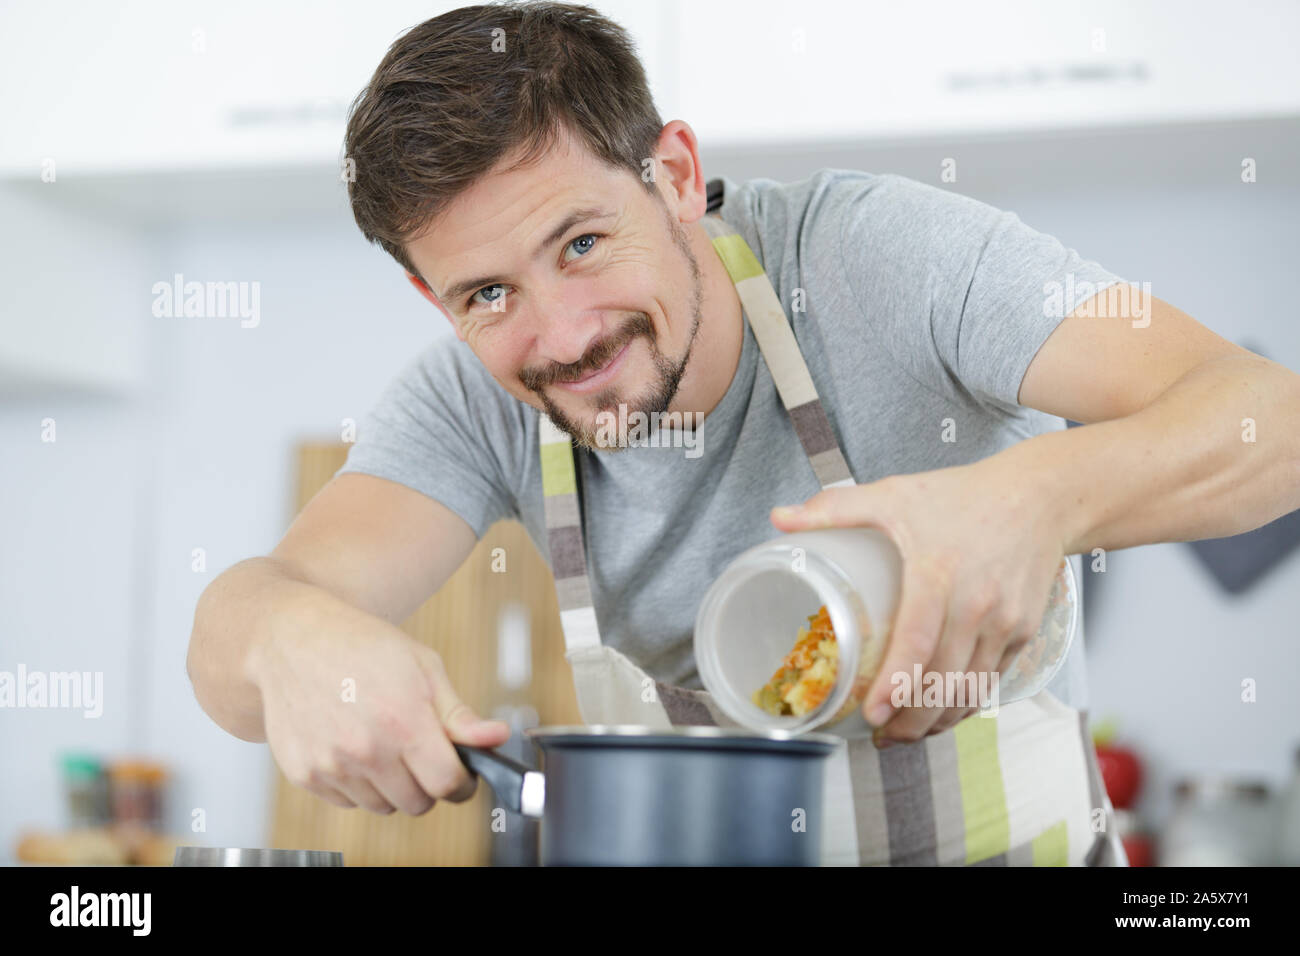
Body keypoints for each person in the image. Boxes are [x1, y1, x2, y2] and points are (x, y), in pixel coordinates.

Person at [186, 2, 1300, 865]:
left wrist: (1033, 498)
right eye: (486, 293)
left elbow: (1268, 415)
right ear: (439, 302)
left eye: (581, 243)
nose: (563, 334)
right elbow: (237, 635)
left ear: (673, 175)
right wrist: (290, 638)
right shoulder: (470, 403)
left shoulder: (872, 253)